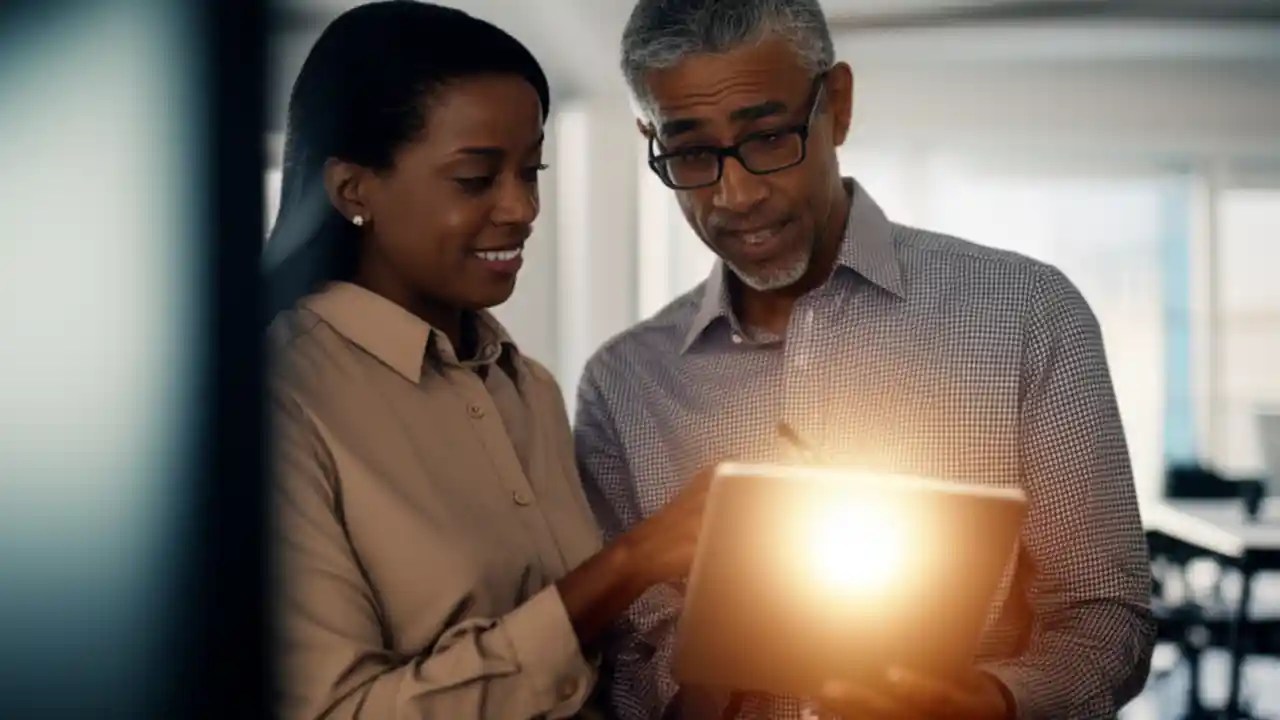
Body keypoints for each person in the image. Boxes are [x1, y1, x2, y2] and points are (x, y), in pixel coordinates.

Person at [574, 1, 1157, 718]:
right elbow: (622, 665)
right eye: (692, 153)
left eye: (769, 137)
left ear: (838, 105)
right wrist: (701, 668)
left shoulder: (1027, 313)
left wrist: (990, 703)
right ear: (651, 137)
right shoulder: (622, 385)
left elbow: (1106, 614)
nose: (737, 194)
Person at [264, 3, 710, 718]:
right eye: (475, 179)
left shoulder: (529, 388)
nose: (521, 208)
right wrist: (627, 566)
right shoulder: (281, 404)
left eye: (531, 172)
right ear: (353, 191)